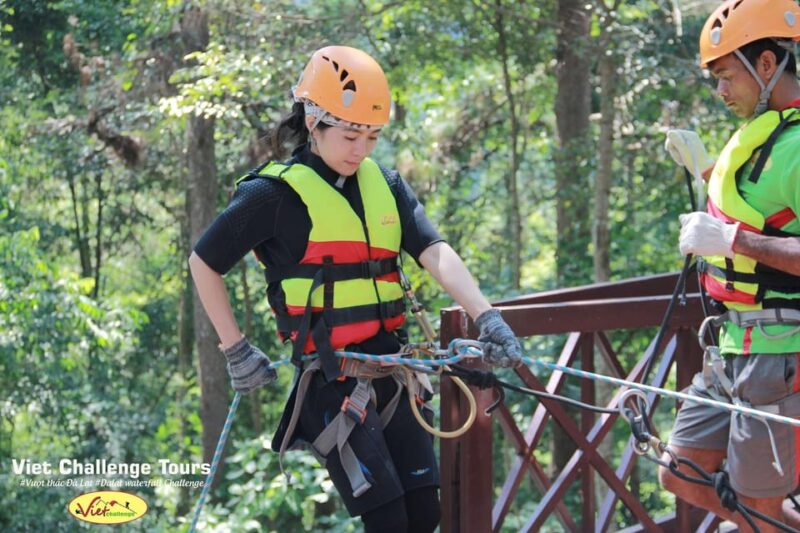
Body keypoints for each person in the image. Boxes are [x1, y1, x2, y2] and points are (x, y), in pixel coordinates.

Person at [188, 45, 522, 532]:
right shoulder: (270, 196)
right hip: (331, 381)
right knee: (387, 521)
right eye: (349, 135)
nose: (360, 150)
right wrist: (235, 348)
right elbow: (203, 260)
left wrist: (486, 315)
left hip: (395, 373)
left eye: (371, 136)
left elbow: (434, 251)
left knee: (425, 515)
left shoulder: (385, 185)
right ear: (311, 119)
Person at [659, 0, 800, 530]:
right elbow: (759, 204)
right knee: (681, 472)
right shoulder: (760, 133)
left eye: (725, 75)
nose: (719, 92)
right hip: (727, 348)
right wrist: (704, 172)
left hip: (779, 353)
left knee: (760, 505)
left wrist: (732, 238)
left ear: (768, 65)